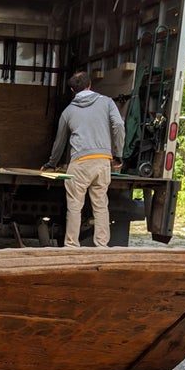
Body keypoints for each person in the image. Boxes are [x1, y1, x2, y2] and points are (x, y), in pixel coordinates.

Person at [42, 71, 125, 248]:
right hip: (102, 161)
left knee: (74, 205)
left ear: (72, 90)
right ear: (90, 85)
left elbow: (59, 142)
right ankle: (102, 246)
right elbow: (118, 124)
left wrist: (51, 164)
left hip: (79, 163)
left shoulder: (68, 111)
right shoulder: (107, 102)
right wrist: (117, 153)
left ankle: (72, 245)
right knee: (101, 205)